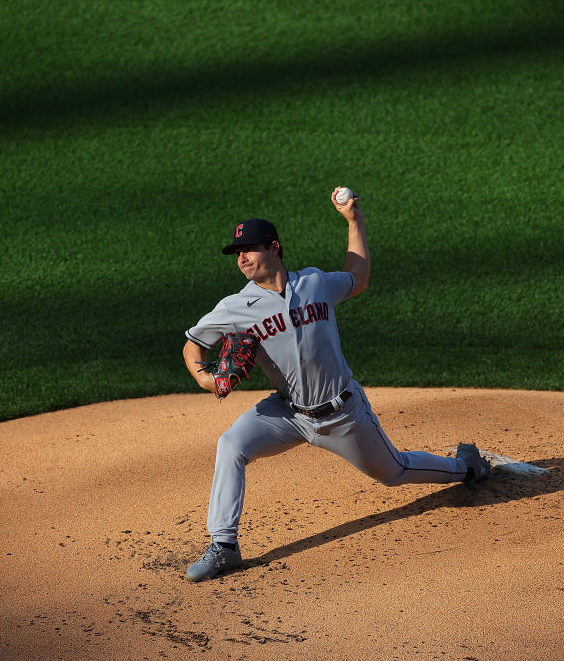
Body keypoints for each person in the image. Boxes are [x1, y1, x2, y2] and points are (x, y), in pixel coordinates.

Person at [181, 188, 491, 582]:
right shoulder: (234, 307)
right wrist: (205, 378)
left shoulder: (314, 283)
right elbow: (193, 344)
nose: (241, 258)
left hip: (343, 414)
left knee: (394, 471)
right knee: (231, 445)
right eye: (237, 252)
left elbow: (357, 277)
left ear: (274, 247)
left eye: (249, 249)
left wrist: (353, 220)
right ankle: (224, 546)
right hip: (287, 413)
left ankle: (466, 466)